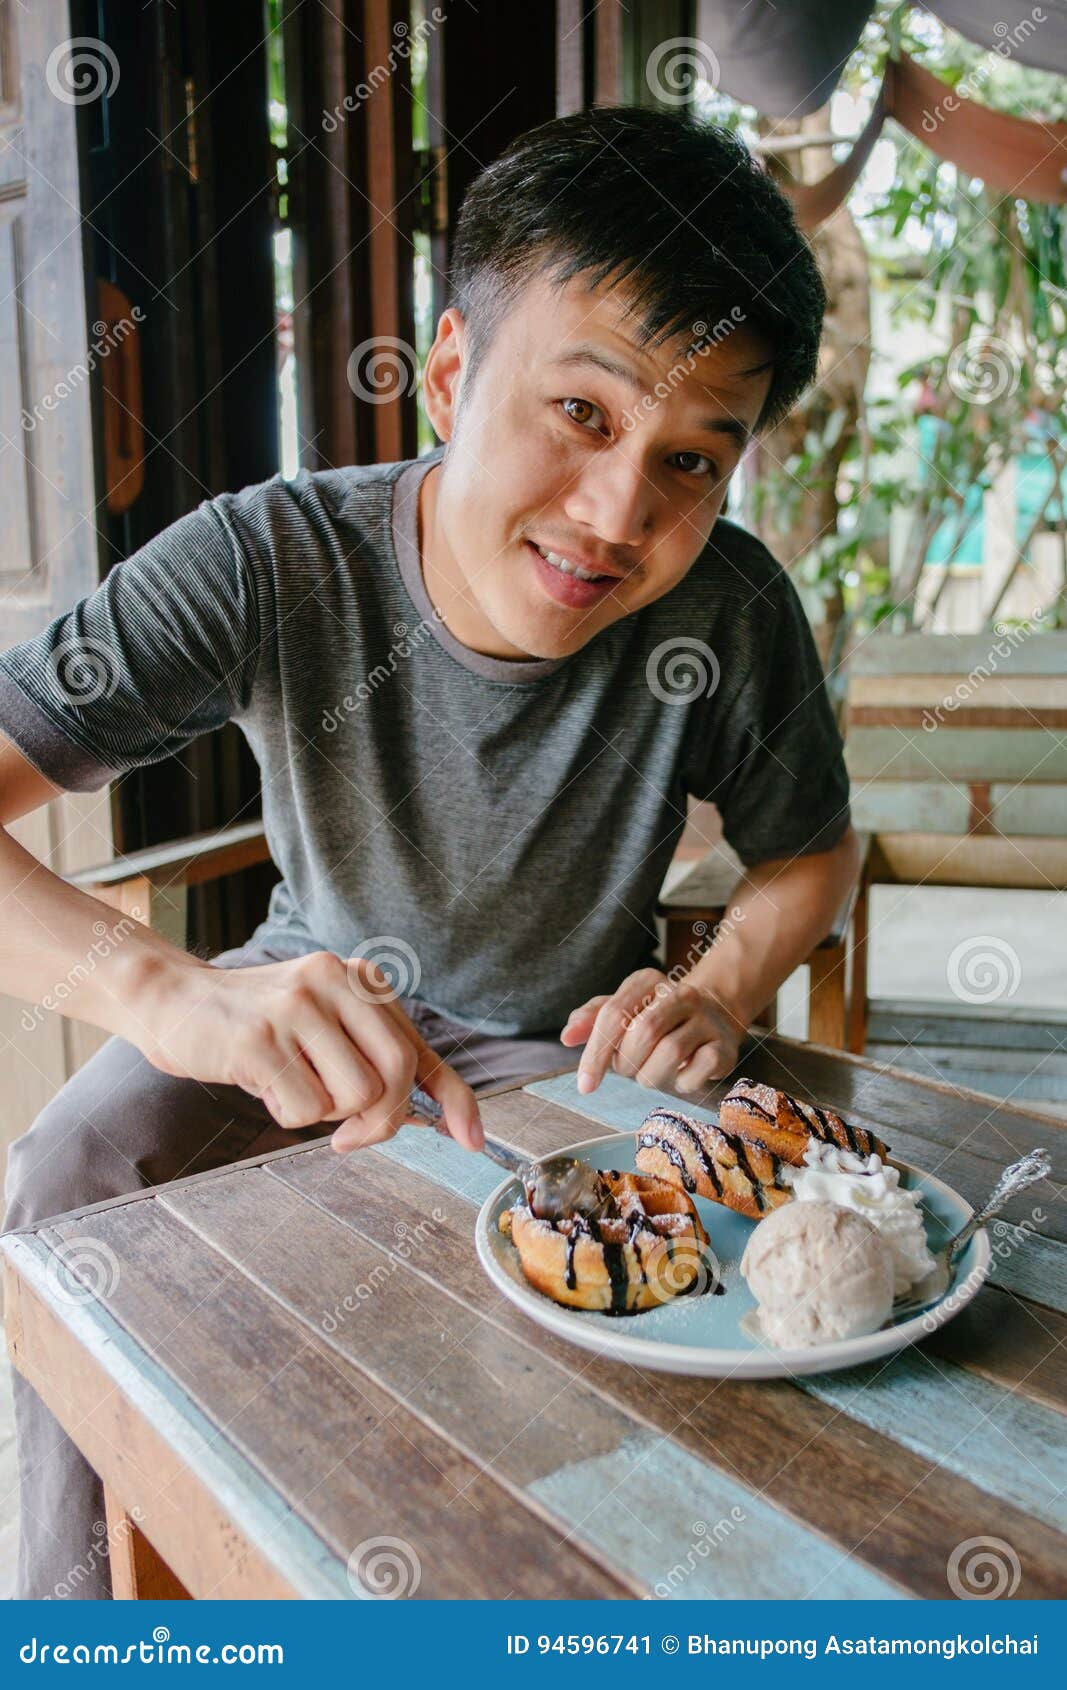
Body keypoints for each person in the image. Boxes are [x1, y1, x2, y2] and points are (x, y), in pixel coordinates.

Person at [0, 104, 857, 1598]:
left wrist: (717, 986)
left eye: (691, 461)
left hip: (569, 1054)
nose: (618, 515)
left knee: (671, 1303)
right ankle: (78, 1614)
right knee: (65, 1170)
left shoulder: (727, 607)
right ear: (451, 371)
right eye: (582, 416)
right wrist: (167, 991)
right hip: (307, 999)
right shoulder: (268, 558)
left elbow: (809, 859)